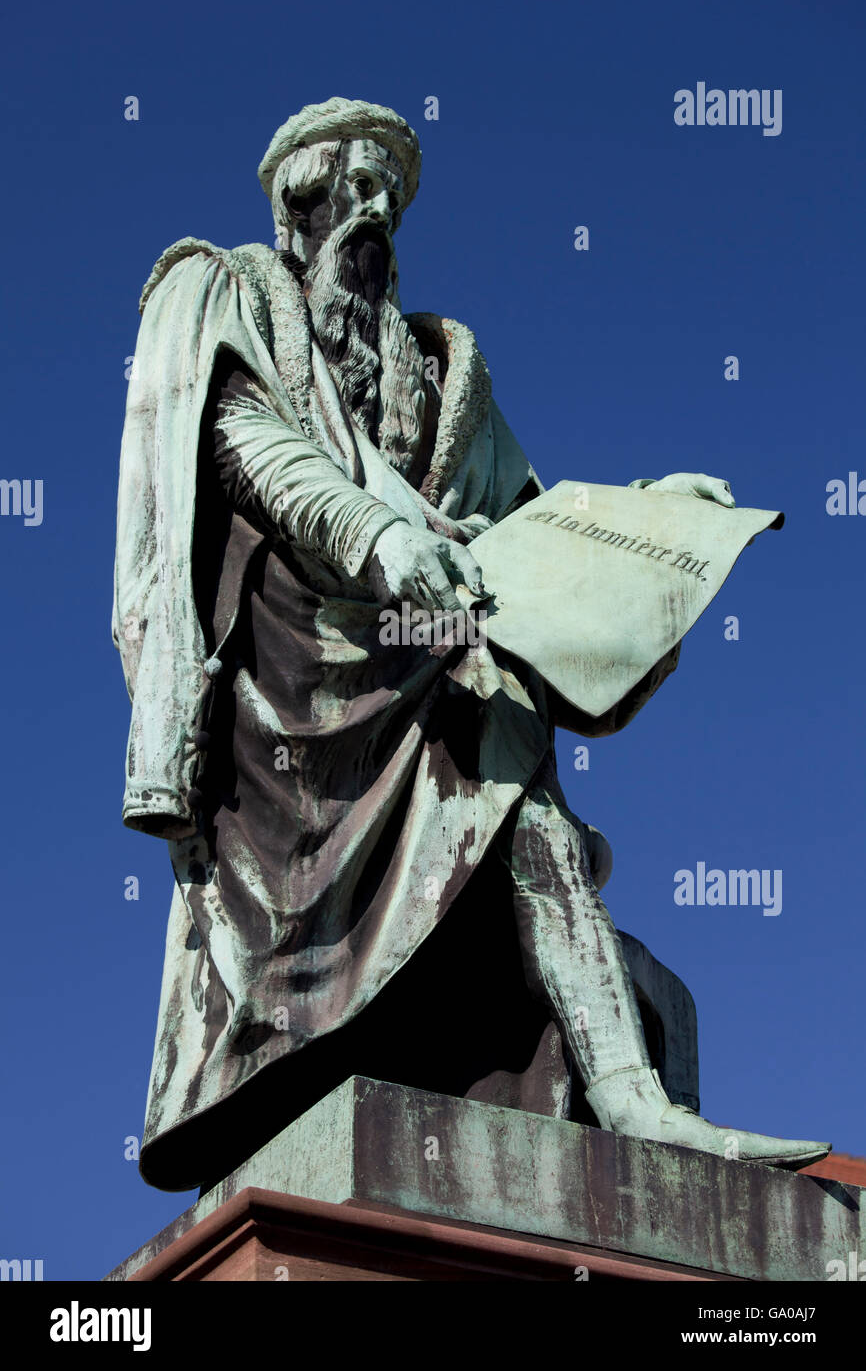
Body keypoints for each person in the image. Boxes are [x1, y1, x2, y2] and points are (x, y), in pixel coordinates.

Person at [113, 97, 829, 1192]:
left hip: (424, 661)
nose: (363, 212)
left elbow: (524, 535)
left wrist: (650, 520)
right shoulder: (228, 290)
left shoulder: (441, 372)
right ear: (289, 209)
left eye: (380, 196)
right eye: (336, 191)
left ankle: (631, 1094)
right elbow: (244, 445)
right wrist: (379, 533)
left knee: (507, 743)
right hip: (296, 686)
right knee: (486, 722)